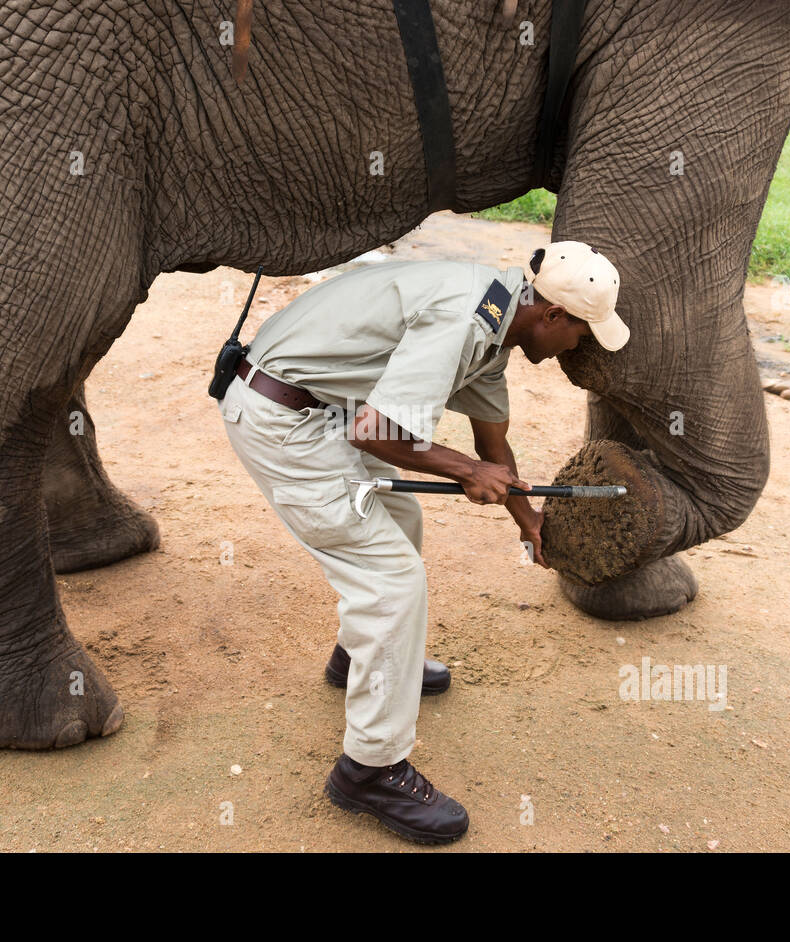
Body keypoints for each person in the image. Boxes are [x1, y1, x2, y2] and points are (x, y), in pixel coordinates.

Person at [217, 241, 627, 844]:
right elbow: (378, 432)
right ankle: (371, 770)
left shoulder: (498, 319)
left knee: (400, 518)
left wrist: (529, 521)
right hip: (283, 420)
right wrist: (465, 471)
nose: (578, 348)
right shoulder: (466, 320)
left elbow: (493, 445)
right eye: (581, 335)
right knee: (392, 581)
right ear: (553, 315)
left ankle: (358, 660)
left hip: (323, 409)